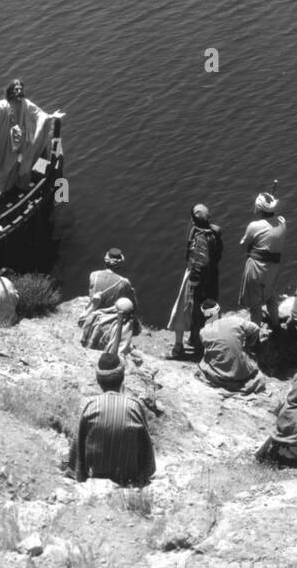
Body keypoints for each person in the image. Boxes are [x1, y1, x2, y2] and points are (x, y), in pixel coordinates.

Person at [67, 350, 156, 487]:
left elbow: (75, 455)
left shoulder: (89, 406)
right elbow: (147, 453)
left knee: (62, 456)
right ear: (122, 378)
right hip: (128, 479)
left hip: (94, 479)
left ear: (98, 380)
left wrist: (69, 466)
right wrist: (143, 477)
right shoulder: (135, 406)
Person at [0, 79, 63, 195]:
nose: (19, 91)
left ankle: (20, 182)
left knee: (21, 163)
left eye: (21, 89)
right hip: (7, 141)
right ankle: (6, 184)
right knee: (6, 164)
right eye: (16, 89)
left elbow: (40, 114)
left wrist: (51, 116)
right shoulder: (3, 105)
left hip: (21, 140)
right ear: (10, 91)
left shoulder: (26, 104)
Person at [168, 204, 223, 359]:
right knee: (211, 309)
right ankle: (206, 344)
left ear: (194, 219)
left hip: (199, 279)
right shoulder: (214, 233)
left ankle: (187, 348)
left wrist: (193, 281)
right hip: (212, 276)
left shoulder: (199, 238)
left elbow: (198, 261)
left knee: (189, 309)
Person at [196, 301, 265, 393]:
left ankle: (223, 373)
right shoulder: (235, 320)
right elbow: (256, 328)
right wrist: (249, 344)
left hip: (222, 376)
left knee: (204, 361)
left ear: (204, 316)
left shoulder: (203, 332)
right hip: (243, 373)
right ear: (219, 312)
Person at [238, 192, 286, 325]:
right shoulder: (282, 222)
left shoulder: (254, 226)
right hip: (274, 268)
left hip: (257, 268)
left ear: (259, 209)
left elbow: (243, 245)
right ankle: (276, 325)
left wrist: (252, 248)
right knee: (271, 296)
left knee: (255, 304)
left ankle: (255, 335)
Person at [79, 247, 138, 352]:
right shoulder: (124, 282)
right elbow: (132, 303)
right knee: (128, 305)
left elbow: (91, 294)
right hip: (108, 319)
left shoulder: (93, 275)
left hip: (91, 314)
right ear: (120, 264)